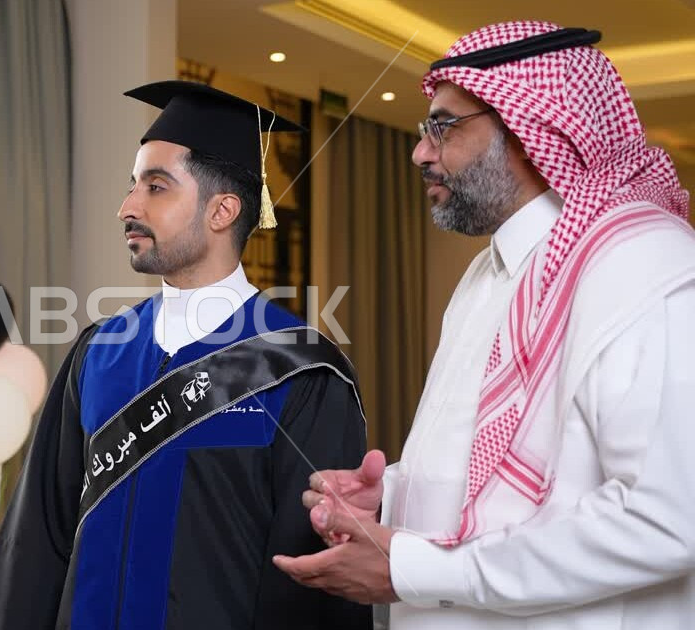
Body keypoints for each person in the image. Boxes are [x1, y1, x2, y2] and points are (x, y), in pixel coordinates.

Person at [274, 22, 695, 629]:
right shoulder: (488, 272)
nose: (420, 153)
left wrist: (413, 570)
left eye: (443, 127)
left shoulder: (643, 265)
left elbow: (666, 518)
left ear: (530, 131)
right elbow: (485, 461)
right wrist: (392, 497)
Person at [0, 81, 371, 629]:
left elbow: (308, 584)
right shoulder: (98, 353)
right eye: (132, 185)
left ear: (222, 210)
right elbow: (39, 540)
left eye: (155, 187)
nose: (127, 207)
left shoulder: (300, 371)